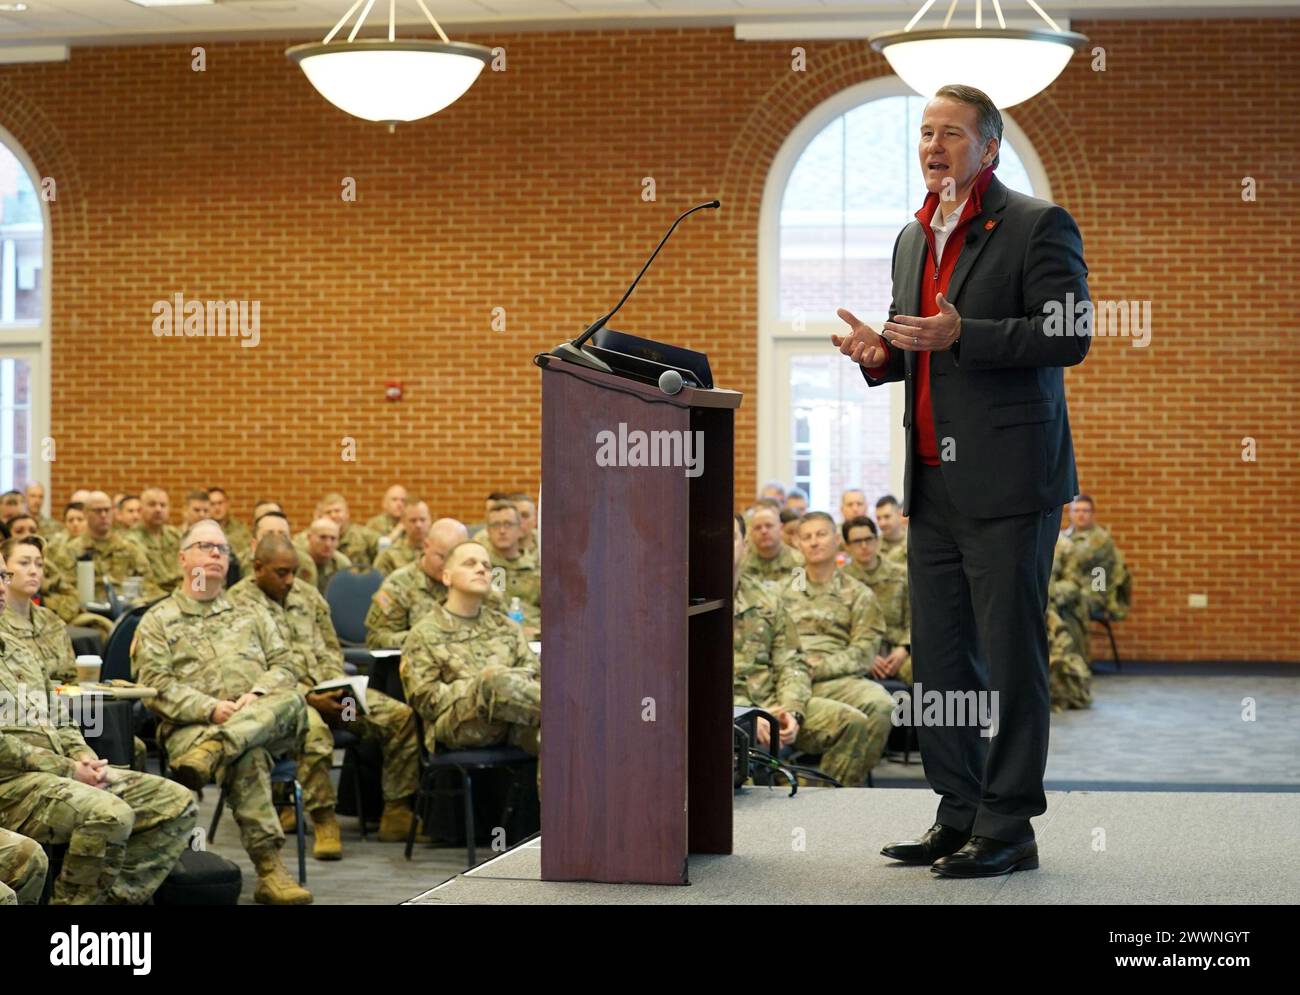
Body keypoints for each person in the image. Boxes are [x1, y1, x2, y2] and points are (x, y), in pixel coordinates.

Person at [833, 84, 1090, 877]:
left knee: (1010, 659)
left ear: (988, 150)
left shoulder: (1035, 225)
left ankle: (1010, 824)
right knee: (943, 660)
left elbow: (1070, 332)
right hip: (934, 481)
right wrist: (884, 355)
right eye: (924, 133)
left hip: (1012, 481)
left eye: (951, 133)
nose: (933, 145)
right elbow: (916, 346)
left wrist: (963, 333)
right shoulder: (913, 239)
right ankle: (959, 811)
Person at [0, 547, 196, 904]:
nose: (2, 587)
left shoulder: (16, 646)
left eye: (3, 577)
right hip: (10, 785)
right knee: (111, 814)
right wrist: (69, 768)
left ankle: (108, 900)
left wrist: (83, 756)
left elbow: (57, 712)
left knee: (176, 803)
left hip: (57, 774)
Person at [132, 520, 314, 904]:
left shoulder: (253, 612)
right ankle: (270, 870)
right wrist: (212, 708)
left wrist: (257, 694)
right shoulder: (157, 620)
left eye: (223, 549)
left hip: (261, 719)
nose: (216, 554)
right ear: (183, 558)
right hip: (192, 730)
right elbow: (155, 688)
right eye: (205, 546)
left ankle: (221, 746)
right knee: (247, 755)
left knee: (294, 699)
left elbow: (286, 665)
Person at [229, 534, 420, 851]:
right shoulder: (237, 606)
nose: (290, 580)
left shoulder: (308, 596)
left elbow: (332, 649)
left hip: (333, 697)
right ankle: (323, 820)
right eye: (281, 573)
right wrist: (307, 696)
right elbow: (248, 671)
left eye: (294, 571)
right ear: (258, 567)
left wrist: (338, 687)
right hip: (285, 704)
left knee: (398, 718)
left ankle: (395, 813)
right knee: (314, 731)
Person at [731, 515, 875, 786]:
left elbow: (792, 663)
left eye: (731, 538)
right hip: (730, 715)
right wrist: (747, 714)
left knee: (851, 722)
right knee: (740, 780)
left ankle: (822, 809)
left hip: (775, 703)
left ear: (744, 547)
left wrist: (791, 710)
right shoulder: (687, 603)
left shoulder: (766, 600)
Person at [401, 541, 540, 756]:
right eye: (470, 563)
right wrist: (480, 687)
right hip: (459, 724)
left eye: (486, 565)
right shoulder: (423, 633)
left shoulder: (506, 626)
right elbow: (425, 700)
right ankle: (577, 713)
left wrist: (501, 690)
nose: (481, 569)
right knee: (492, 678)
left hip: (514, 719)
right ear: (447, 577)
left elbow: (534, 675)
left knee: (552, 736)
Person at [366, 519, 468, 649]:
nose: (448, 565)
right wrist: (422, 637)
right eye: (442, 557)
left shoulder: (470, 583)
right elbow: (376, 639)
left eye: (455, 559)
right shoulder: (398, 585)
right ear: (426, 546)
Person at [841, 517, 912, 684]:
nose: (864, 546)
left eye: (868, 539)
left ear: (877, 540)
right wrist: (864, 655)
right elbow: (838, 627)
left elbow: (916, 617)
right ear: (847, 547)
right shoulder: (841, 581)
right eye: (857, 541)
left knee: (928, 675)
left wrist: (905, 649)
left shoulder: (901, 575)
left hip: (898, 652)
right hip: (857, 655)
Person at [372, 500, 431, 576]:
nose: (418, 525)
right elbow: (378, 585)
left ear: (430, 521)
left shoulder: (438, 554)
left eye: (423, 520)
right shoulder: (388, 556)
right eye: (413, 520)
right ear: (403, 523)